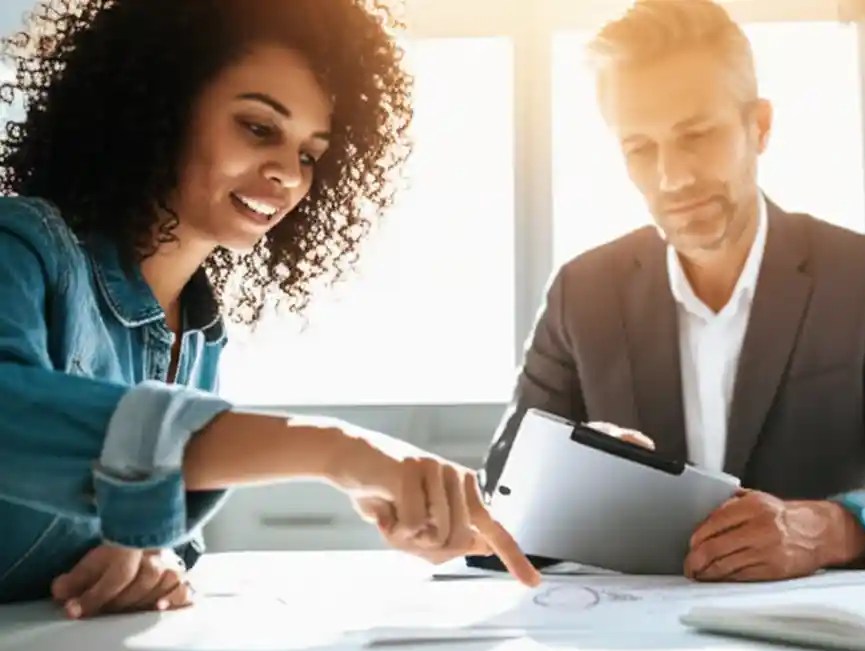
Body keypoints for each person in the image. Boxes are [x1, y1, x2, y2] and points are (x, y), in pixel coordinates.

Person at [0, 0, 539, 619]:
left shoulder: (200, 335)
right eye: (258, 128)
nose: (288, 173)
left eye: (310, 154)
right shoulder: (21, 247)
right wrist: (336, 449)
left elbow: (150, 532)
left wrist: (158, 561)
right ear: (160, 109)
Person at [478, 0, 865, 582]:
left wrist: (834, 528)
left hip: (806, 623)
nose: (672, 178)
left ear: (759, 126)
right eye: (640, 148)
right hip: (631, 625)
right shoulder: (582, 295)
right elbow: (496, 504)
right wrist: (567, 468)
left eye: (697, 136)